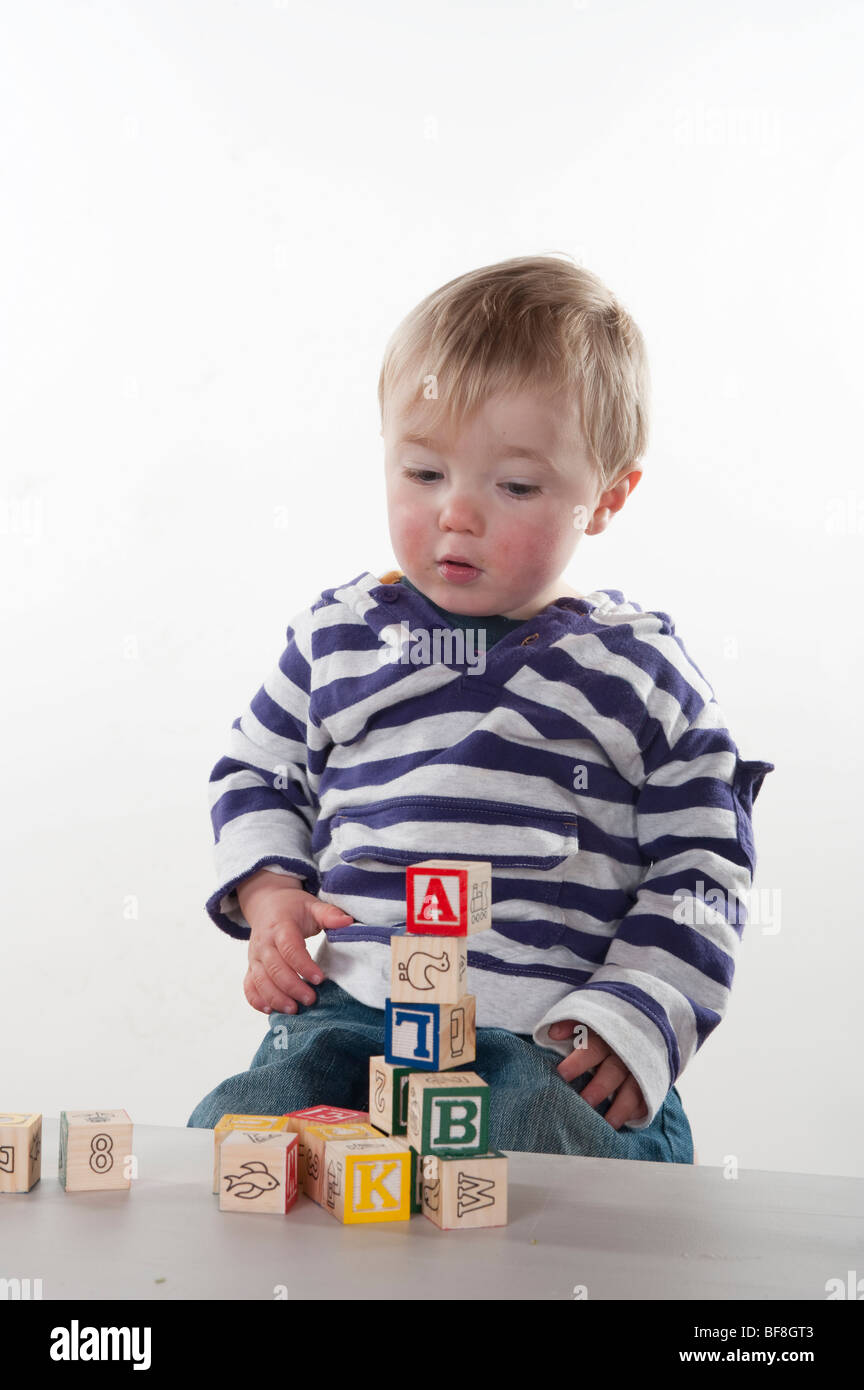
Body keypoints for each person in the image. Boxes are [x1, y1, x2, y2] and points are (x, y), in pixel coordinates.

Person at [187, 254, 774, 1163]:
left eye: (517, 487)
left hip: (540, 1039)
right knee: (243, 1133)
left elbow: (704, 863)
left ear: (607, 498)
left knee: (543, 1146)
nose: (457, 514)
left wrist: (636, 1012)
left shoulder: (636, 672)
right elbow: (258, 773)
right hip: (349, 1016)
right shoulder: (338, 638)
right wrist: (271, 895)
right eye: (423, 473)